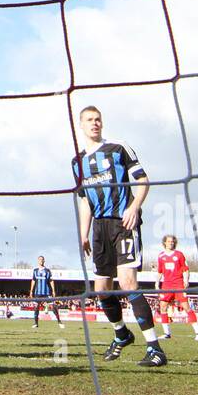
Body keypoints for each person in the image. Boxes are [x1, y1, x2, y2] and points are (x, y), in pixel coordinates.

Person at [73, 106, 166, 366]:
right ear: (80, 125)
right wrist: (83, 233)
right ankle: (122, 334)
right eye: (89, 120)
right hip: (99, 229)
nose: (95, 123)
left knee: (127, 282)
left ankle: (155, 348)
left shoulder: (118, 147)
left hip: (123, 222)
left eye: (98, 119)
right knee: (101, 289)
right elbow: (84, 201)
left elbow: (143, 180)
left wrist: (134, 207)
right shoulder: (77, 162)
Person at [156, 235, 198, 341]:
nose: (171, 243)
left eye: (172, 241)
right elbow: (159, 271)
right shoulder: (161, 256)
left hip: (178, 284)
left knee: (186, 306)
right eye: (168, 241)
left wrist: (186, 280)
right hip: (166, 285)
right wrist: (157, 282)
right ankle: (166, 333)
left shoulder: (179, 255)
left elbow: (185, 269)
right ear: (165, 243)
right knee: (163, 307)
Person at [29, 255, 62, 328]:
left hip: (46, 292)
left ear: (44, 261)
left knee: (53, 306)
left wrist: (53, 290)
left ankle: (59, 322)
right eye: (40, 259)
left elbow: (51, 280)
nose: (41, 261)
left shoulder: (47, 270)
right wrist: (31, 291)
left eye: (42, 259)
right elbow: (33, 280)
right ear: (38, 261)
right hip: (37, 292)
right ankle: (35, 323)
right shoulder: (35, 271)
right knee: (36, 307)